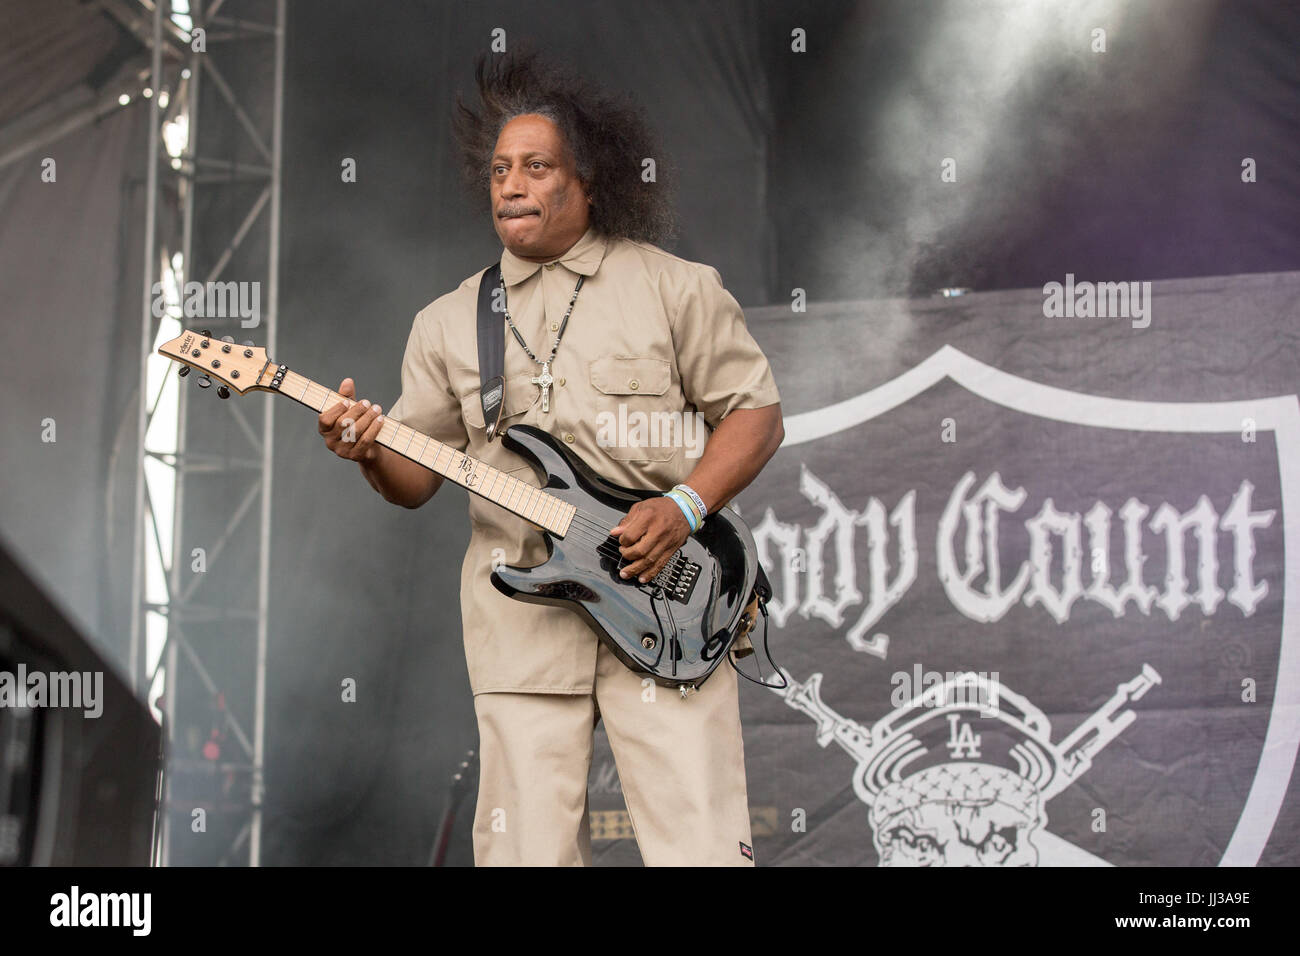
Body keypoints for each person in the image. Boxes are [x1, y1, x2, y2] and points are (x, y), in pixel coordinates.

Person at [316, 51, 783, 866]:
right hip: (520, 625)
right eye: (500, 169)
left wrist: (682, 508)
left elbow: (756, 415)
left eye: (536, 166)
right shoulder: (447, 323)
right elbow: (415, 480)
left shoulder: (676, 288)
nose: (511, 185)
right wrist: (365, 449)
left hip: (670, 606)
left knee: (700, 849)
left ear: (590, 180)